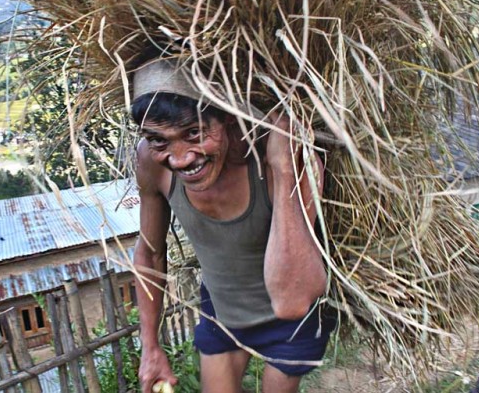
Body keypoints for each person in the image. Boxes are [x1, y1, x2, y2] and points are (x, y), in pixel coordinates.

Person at [131, 58, 335, 393]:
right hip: (223, 313)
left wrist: (283, 167)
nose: (180, 158)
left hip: (294, 322)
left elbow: (293, 301)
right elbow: (151, 255)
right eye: (159, 141)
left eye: (194, 133)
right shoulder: (150, 163)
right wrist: (150, 347)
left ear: (225, 116)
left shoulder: (276, 157)